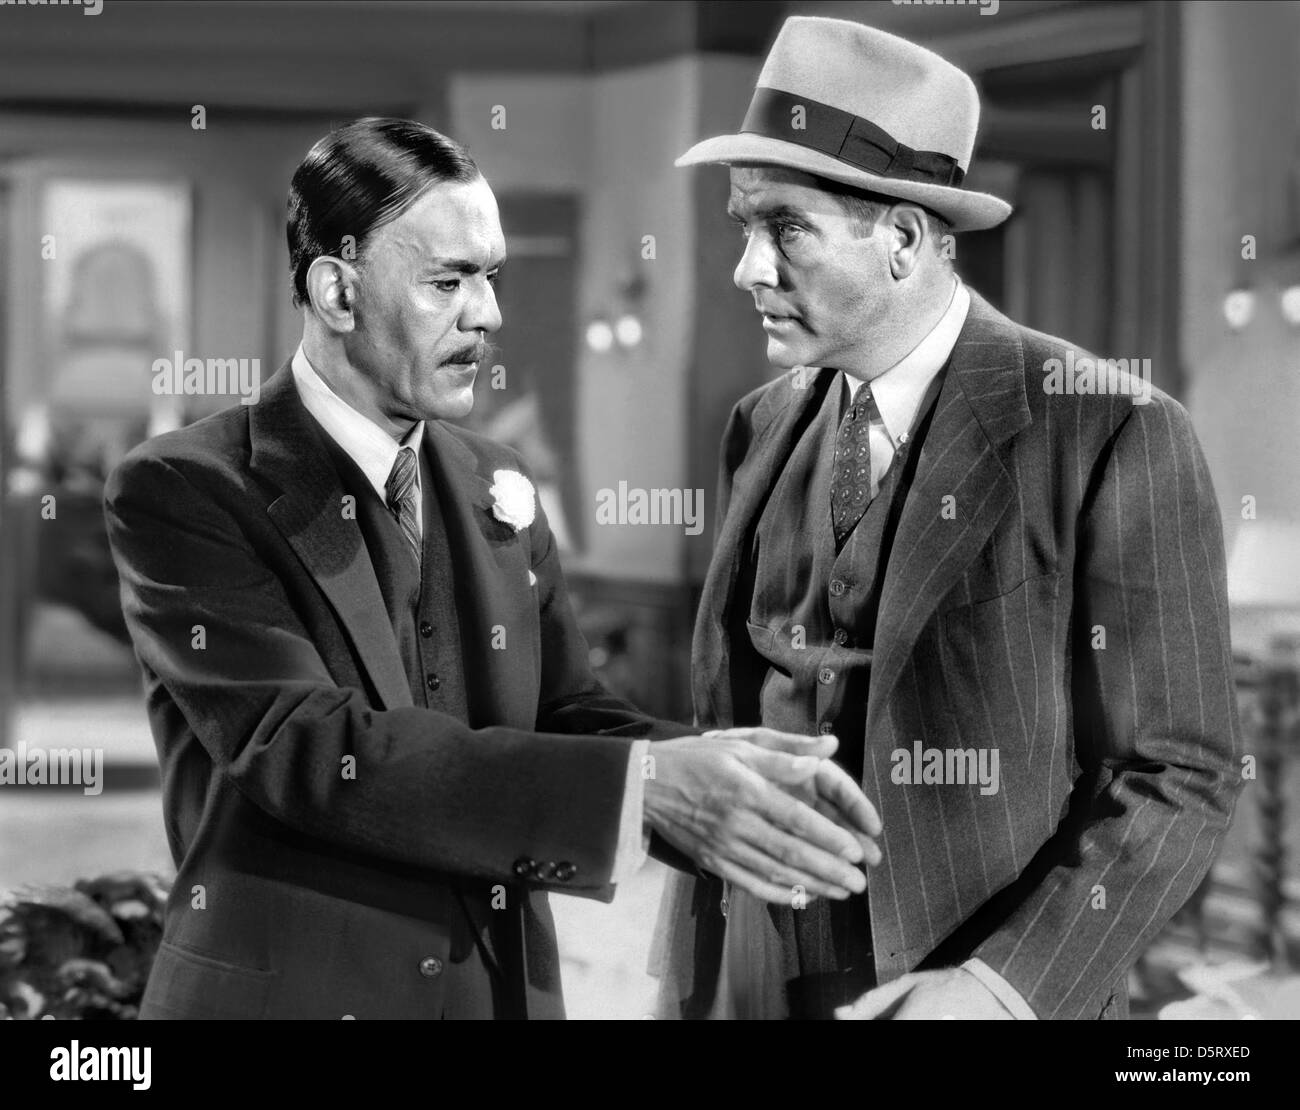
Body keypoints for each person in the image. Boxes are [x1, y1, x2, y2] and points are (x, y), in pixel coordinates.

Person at [104, 117, 880, 1020]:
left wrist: (706, 761)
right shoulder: (183, 488)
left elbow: (567, 715)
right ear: (337, 293)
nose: (489, 313)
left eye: (491, 277)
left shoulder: (496, 481)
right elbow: (309, 751)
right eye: (449, 281)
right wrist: (647, 791)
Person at [653, 17, 1241, 1020]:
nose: (747, 268)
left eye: (783, 227)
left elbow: (1178, 772)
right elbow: (732, 719)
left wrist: (999, 990)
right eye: (740, 227)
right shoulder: (759, 425)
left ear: (903, 240)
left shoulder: (1108, 430)